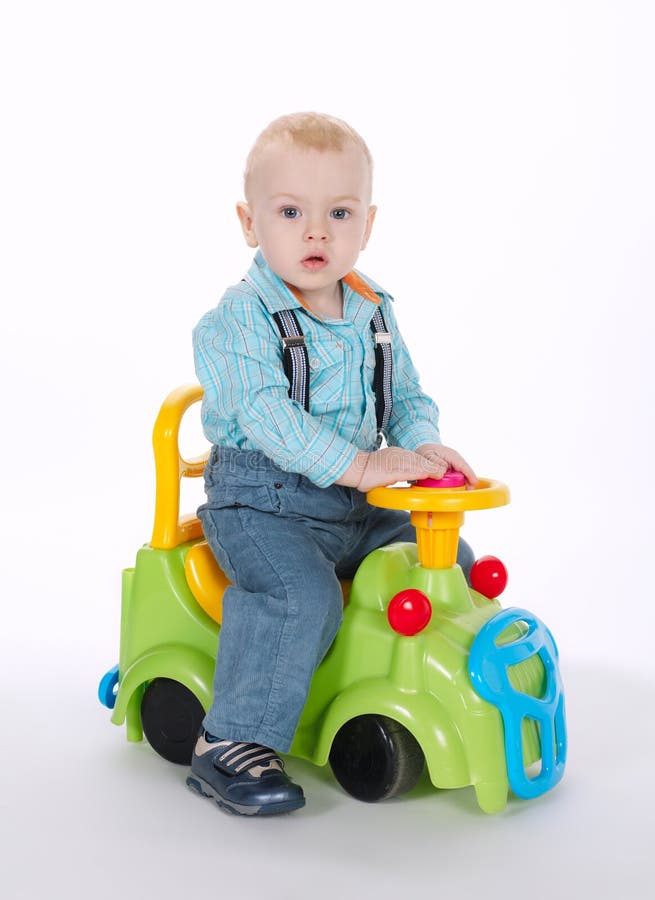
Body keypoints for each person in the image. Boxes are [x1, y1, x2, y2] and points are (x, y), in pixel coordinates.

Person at [190, 112, 477, 817]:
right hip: (262, 506)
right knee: (301, 595)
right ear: (250, 222)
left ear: (367, 224)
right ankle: (229, 740)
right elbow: (267, 415)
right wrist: (359, 465)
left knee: (447, 559)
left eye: (338, 213)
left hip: (355, 505)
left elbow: (404, 396)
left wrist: (424, 445)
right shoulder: (238, 319)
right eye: (291, 212)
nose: (316, 233)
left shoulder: (373, 310)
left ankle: (425, 688)